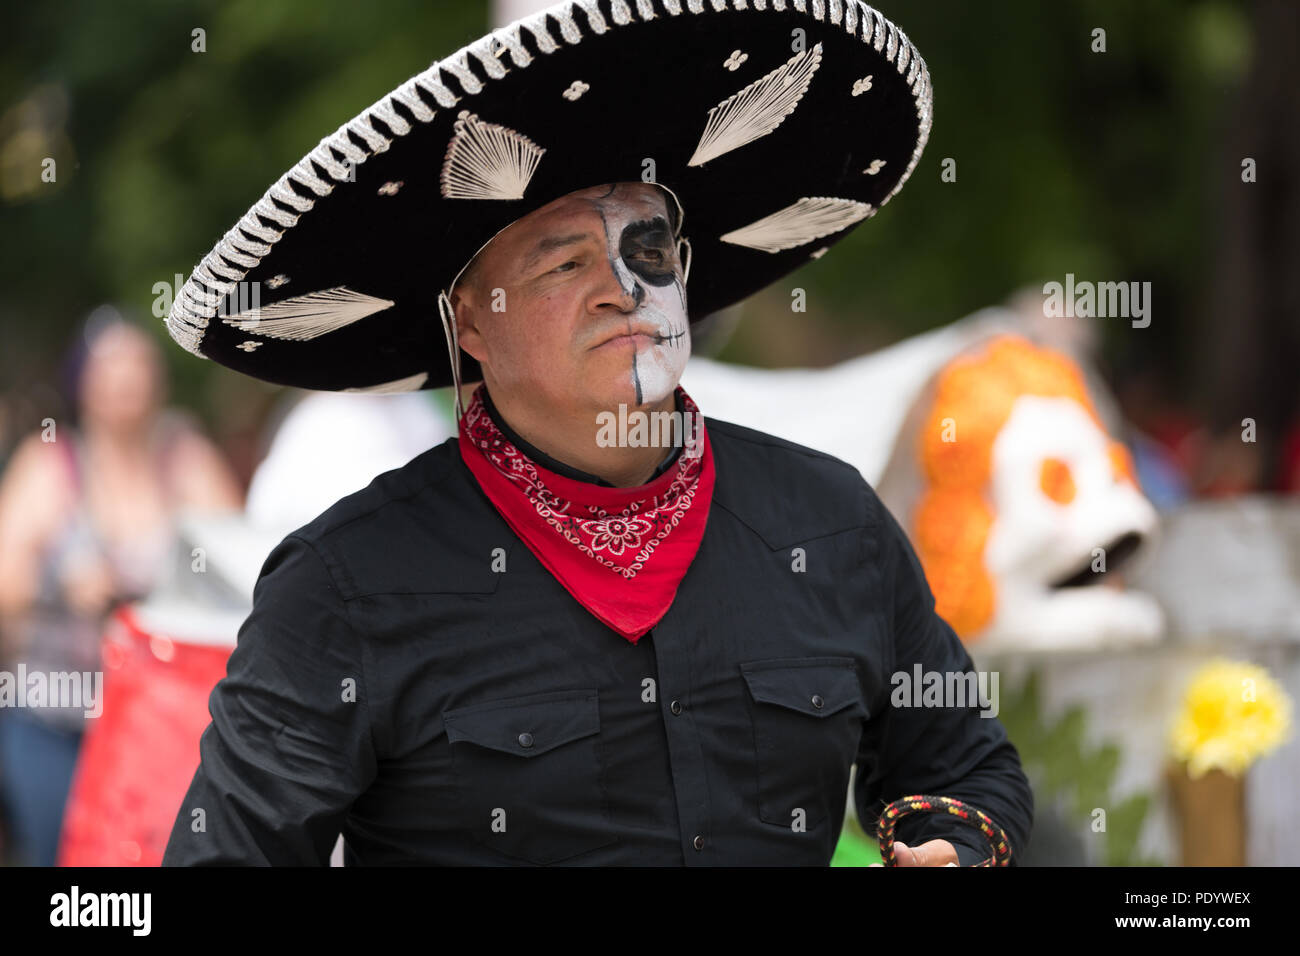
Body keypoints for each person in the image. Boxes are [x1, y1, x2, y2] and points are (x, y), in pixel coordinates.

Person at [161, 1, 1032, 866]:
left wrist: (950, 848)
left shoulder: (830, 521)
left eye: (648, 251)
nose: (624, 288)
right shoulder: (345, 585)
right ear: (471, 324)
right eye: (566, 262)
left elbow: (965, 768)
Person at [0, 312, 242, 865]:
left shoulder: (184, 456)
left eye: (139, 364)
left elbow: (241, 563)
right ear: (82, 380)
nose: (127, 381)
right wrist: (61, 584)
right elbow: (5, 587)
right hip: (56, 720)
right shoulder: (51, 462)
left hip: (158, 725)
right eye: (113, 367)